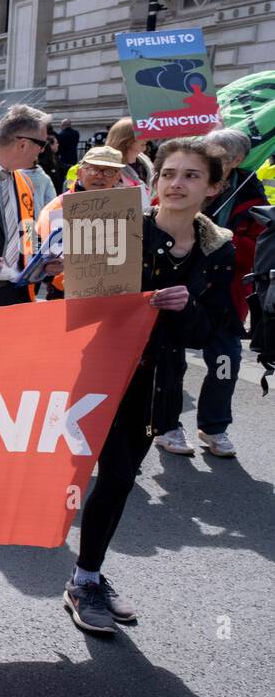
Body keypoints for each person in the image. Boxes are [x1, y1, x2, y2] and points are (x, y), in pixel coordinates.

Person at [63, 138, 236, 634]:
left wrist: (189, 308)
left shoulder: (218, 251)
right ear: (154, 180)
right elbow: (83, 311)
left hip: (155, 383)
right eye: (168, 174)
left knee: (118, 479)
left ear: (213, 186)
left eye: (191, 176)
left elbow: (211, 332)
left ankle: (85, 577)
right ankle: (82, 574)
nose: (177, 184)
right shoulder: (118, 230)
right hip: (98, 374)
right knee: (70, 476)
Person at [153, 128, 265, 459]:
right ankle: (168, 425)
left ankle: (214, 427)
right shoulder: (174, 190)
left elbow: (257, 249)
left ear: (235, 162)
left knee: (224, 362)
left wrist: (220, 241)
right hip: (176, 294)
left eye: (217, 156)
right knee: (169, 362)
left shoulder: (252, 199)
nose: (181, 180)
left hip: (224, 299)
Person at [0, 104, 62, 306]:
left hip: (15, 294)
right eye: (42, 143)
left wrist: (45, 262)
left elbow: (27, 234)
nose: (43, 150)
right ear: (22, 144)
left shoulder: (25, 182)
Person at [35, 145, 127, 297]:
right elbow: (40, 256)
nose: (100, 176)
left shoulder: (126, 207)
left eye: (109, 171)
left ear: (117, 177)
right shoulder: (57, 208)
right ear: (79, 172)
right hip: (68, 295)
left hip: (114, 293)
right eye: (93, 169)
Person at [105, 116, 154, 209]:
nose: (146, 137)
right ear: (126, 138)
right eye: (141, 133)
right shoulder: (107, 165)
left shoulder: (146, 162)